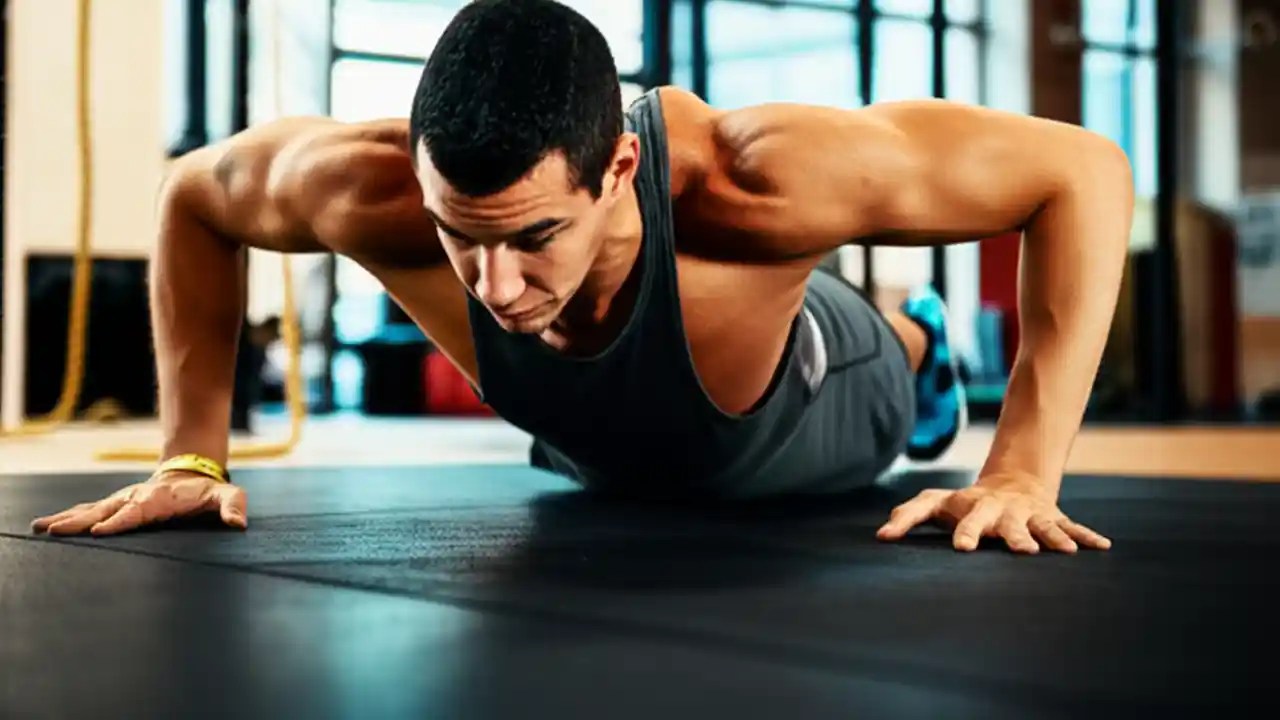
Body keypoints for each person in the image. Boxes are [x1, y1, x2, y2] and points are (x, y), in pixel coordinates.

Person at [31, 0, 1128, 555]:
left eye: (534, 236)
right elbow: (191, 197)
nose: (496, 286)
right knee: (615, 447)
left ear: (618, 168)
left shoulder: (755, 179)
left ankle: (917, 338)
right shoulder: (363, 187)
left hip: (816, 405)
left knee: (879, 350)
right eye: (462, 234)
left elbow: (1080, 168)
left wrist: (1022, 470)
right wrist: (191, 450)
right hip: (599, 445)